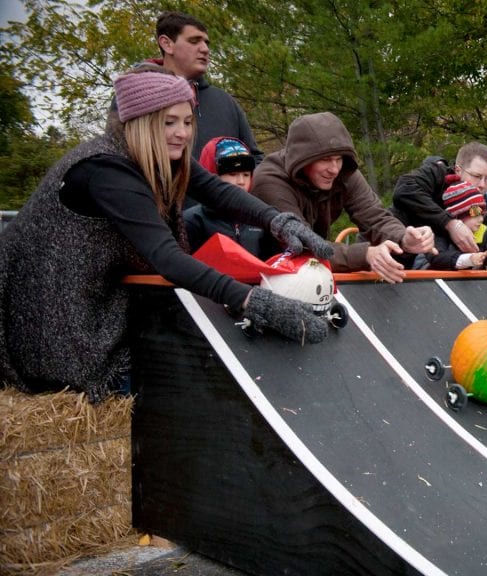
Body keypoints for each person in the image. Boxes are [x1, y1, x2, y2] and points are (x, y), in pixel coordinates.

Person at [0, 67, 333, 403]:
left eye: (187, 122)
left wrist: (279, 221)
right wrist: (252, 301)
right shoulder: (106, 170)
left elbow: (220, 193)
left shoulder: (164, 158)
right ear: (142, 121)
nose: (182, 133)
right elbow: (167, 258)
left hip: (97, 291)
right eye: (169, 122)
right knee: (149, 383)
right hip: (54, 302)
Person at [251, 111, 435, 284]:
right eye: (325, 159)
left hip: (308, 273)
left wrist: (404, 238)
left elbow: (375, 216)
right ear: (302, 159)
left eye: (338, 158)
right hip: (258, 277)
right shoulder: (270, 181)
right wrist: (365, 254)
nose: (334, 169)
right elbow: (301, 245)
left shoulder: (344, 172)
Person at [148, 11, 263, 164]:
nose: (205, 49)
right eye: (194, 41)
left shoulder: (224, 102)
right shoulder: (137, 98)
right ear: (167, 44)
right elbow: (117, 159)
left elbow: (255, 159)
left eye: (206, 43)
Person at [392, 142, 487, 254]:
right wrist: (450, 224)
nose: (482, 184)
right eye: (477, 176)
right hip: (396, 248)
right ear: (458, 170)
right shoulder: (437, 175)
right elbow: (404, 189)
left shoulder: (480, 205)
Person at [185, 137, 278, 259]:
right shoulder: (193, 221)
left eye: (246, 175)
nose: (241, 181)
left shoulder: (261, 219)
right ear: (212, 176)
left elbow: (273, 261)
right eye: (232, 174)